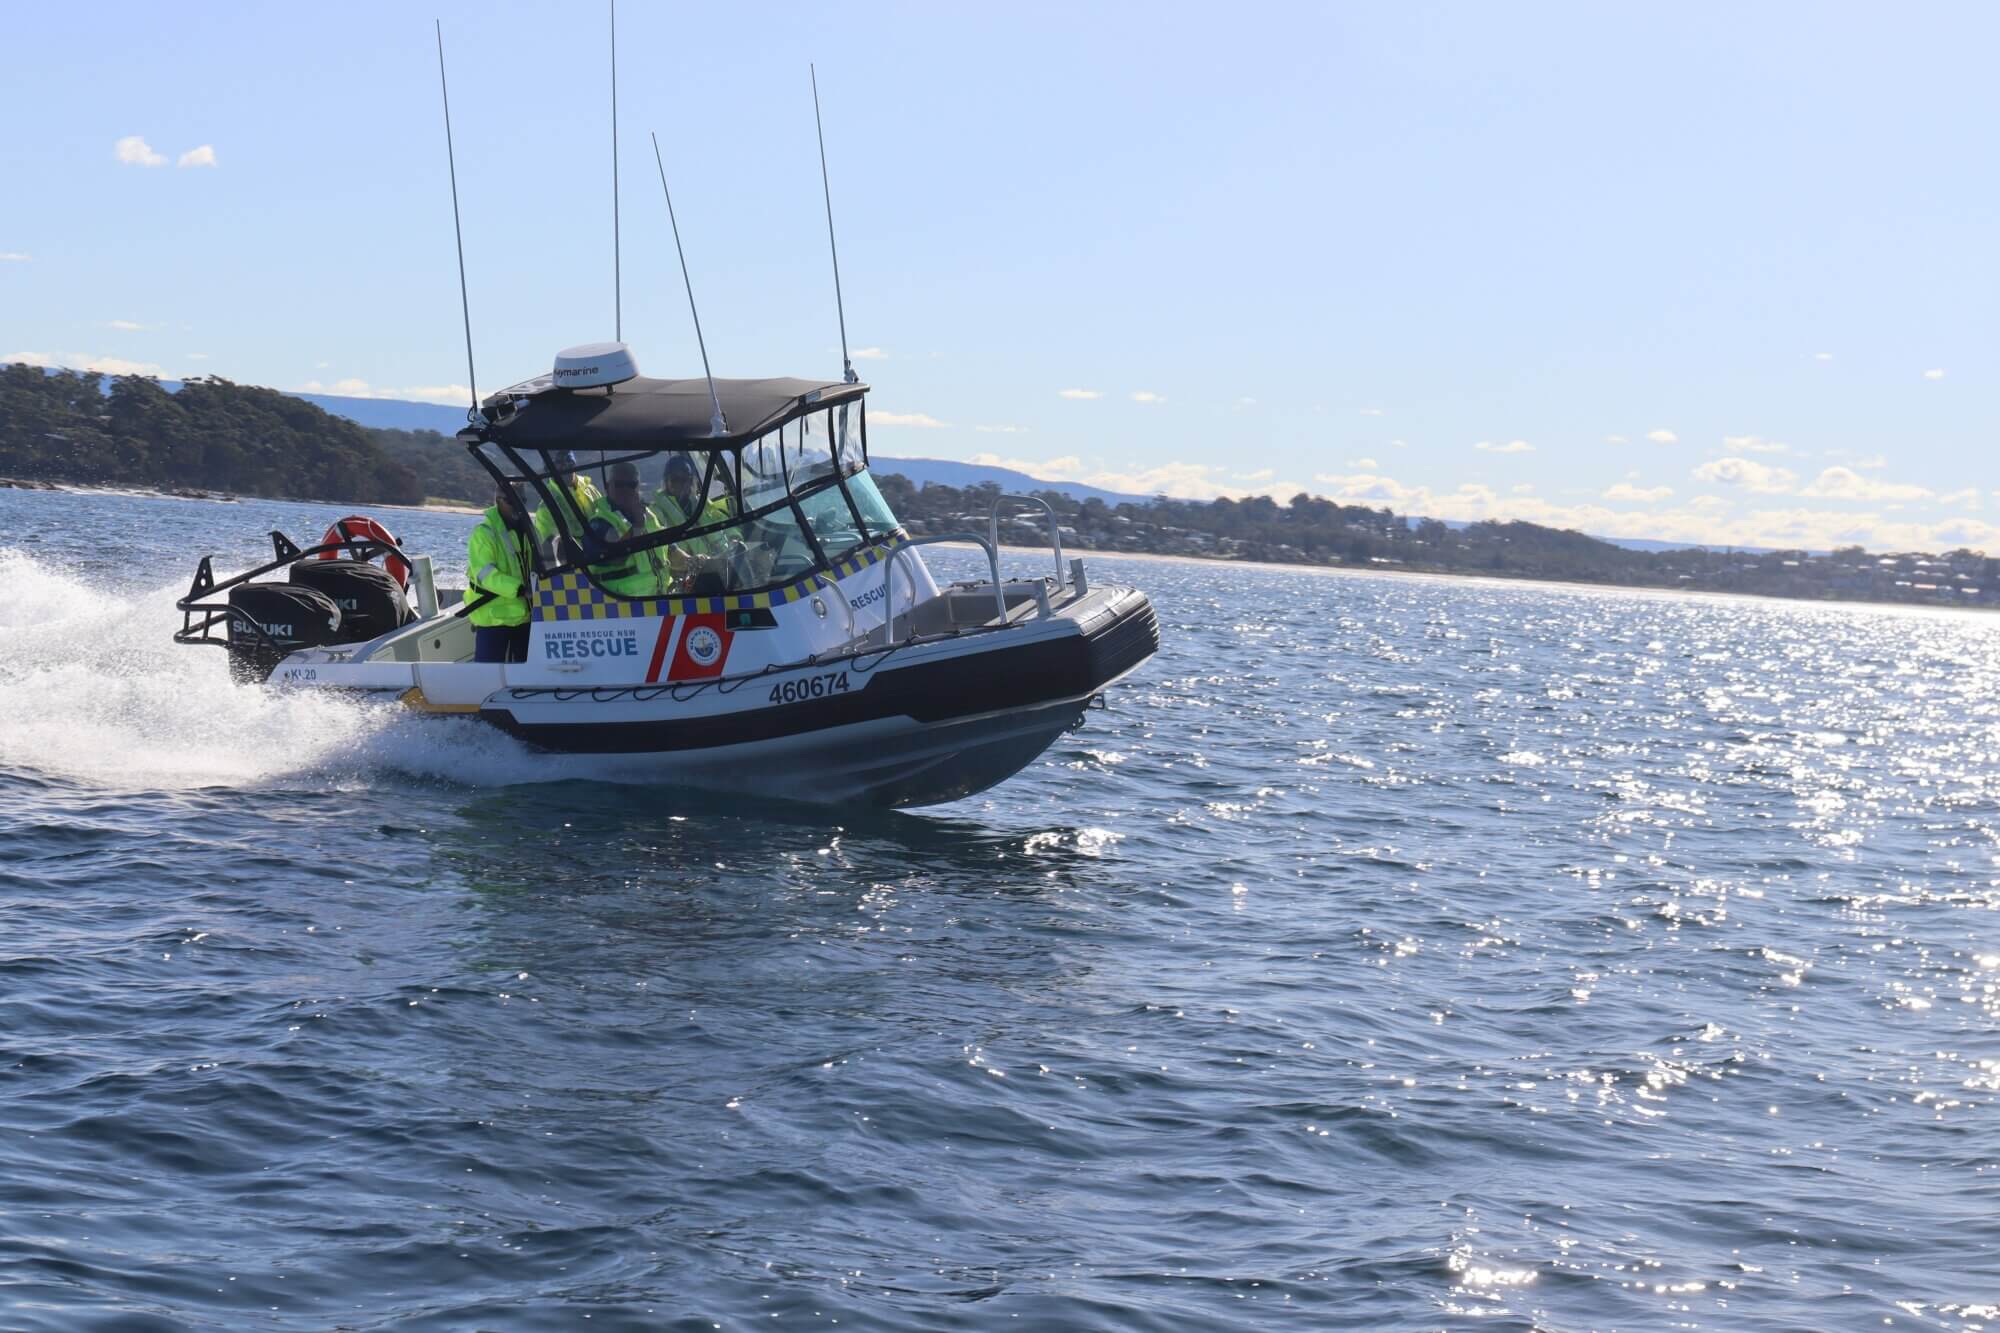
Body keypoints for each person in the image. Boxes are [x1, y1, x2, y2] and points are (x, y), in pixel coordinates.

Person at [467, 484, 536, 663]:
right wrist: (520, 589)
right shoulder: (484, 533)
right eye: (513, 501)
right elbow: (485, 574)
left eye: (523, 501)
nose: (519, 506)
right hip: (493, 618)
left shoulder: (527, 530)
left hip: (523, 615)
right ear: (499, 501)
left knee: (526, 673)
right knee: (486, 676)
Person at [585, 461, 673, 596]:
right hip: (622, 607)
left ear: (638, 487)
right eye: (619, 485)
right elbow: (614, 557)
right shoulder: (598, 523)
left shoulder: (648, 514)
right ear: (608, 487)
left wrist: (692, 560)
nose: (625, 490)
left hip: (660, 599)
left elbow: (666, 545)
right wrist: (637, 526)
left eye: (631, 485)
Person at [650, 453, 737, 584]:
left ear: (692, 481)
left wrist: (735, 539)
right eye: (675, 479)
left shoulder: (702, 503)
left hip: (722, 567)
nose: (682, 484)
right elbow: (662, 546)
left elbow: (725, 523)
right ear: (666, 482)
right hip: (688, 578)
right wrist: (689, 561)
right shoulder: (656, 512)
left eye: (686, 479)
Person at [531, 452, 604, 561]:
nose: (564, 466)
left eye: (568, 461)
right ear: (548, 469)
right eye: (558, 463)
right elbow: (553, 555)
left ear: (574, 463)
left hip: (608, 557)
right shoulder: (546, 509)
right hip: (582, 569)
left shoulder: (590, 489)